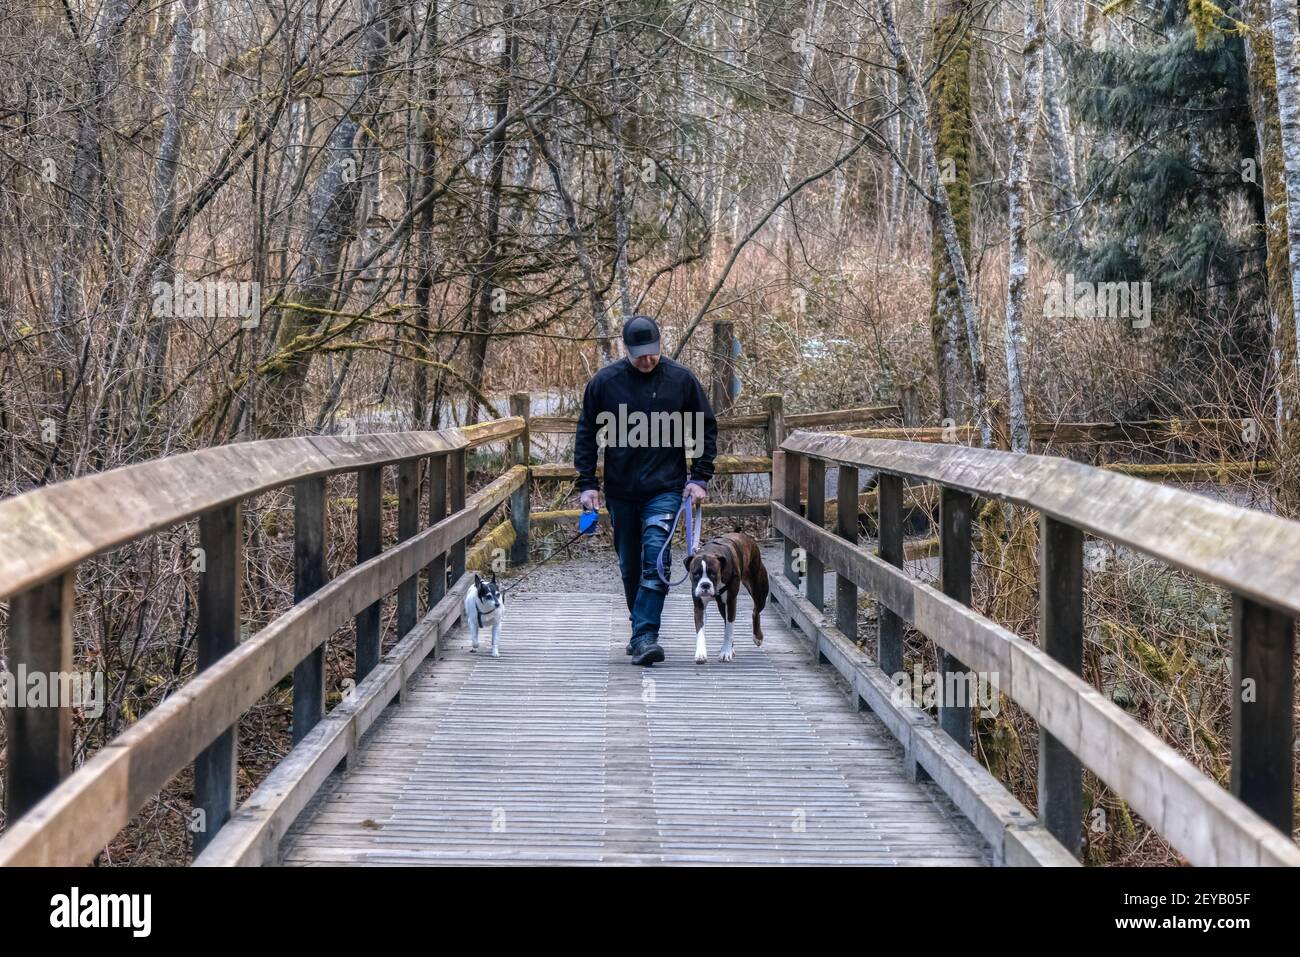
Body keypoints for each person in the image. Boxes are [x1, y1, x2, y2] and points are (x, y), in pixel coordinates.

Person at [573, 316, 718, 665]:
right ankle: (640, 627)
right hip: (621, 490)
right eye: (640, 355)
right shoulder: (604, 384)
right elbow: (586, 434)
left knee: (656, 557)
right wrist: (587, 484)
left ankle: (645, 637)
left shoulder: (681, 381)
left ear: (660, 346)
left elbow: (705, 428)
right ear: (626, 349)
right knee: (630, 566)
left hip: (666, 488)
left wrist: (699, 477)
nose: (647, 360)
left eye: (652, 353)